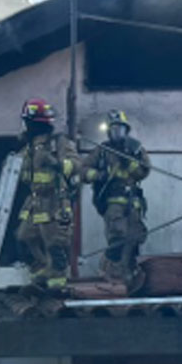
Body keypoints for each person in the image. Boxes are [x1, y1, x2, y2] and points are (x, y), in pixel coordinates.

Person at [14, 98, 79, 291]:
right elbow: (22, 173)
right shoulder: (29, 148)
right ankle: (42, 270)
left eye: (27, 121)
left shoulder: (58, 143)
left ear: (34, 123)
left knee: (54, 242)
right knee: (24, 237)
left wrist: (56, 163)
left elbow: (77, 165)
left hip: (54, 201)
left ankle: (57, 283)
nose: (24, 125)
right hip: (35, 202)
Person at [89, 109, 150, 285]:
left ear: (126, 130)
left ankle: (128, 275)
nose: (117, 133)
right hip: (113, 202)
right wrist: (98, 175)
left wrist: (129, 162)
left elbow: (144, 172)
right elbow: (83, 170)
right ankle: (108, 269)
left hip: (133, 202)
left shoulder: (135, 148)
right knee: (118, 236)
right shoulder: (102, 151)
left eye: (120, 129)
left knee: (135, 237)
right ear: (109, 132)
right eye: (114, 129)